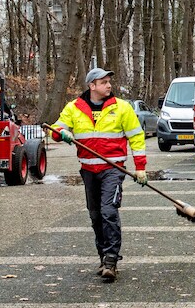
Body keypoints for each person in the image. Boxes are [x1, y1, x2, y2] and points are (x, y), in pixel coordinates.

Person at [50, 67, 148, 283]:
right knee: (95, 215)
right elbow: (54, 129)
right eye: (103, 82)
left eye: (108, 81)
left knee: (108, 211)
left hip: (113, 169)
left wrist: (140, 167)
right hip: (88, 171)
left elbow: (137, 138)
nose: (109, 85)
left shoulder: (121, 108)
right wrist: (61, 133)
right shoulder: (74, 108)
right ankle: (103, 257)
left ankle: (112, 261)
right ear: (92, 85)